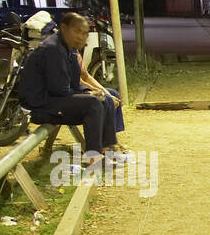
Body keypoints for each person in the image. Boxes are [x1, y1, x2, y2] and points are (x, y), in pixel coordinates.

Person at [16, 12, 129, 166]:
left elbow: (75, 83)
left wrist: (90, 92)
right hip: (38, 105)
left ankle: (108, 147)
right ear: (63, 28)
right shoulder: (53, 49)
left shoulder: (69, 48)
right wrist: (88, 94)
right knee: (93, 103)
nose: (81, 37)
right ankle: (93, 157)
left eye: (84, 33)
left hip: (53, 98)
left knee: (101, 99)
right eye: (76, 31)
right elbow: (59, 89)